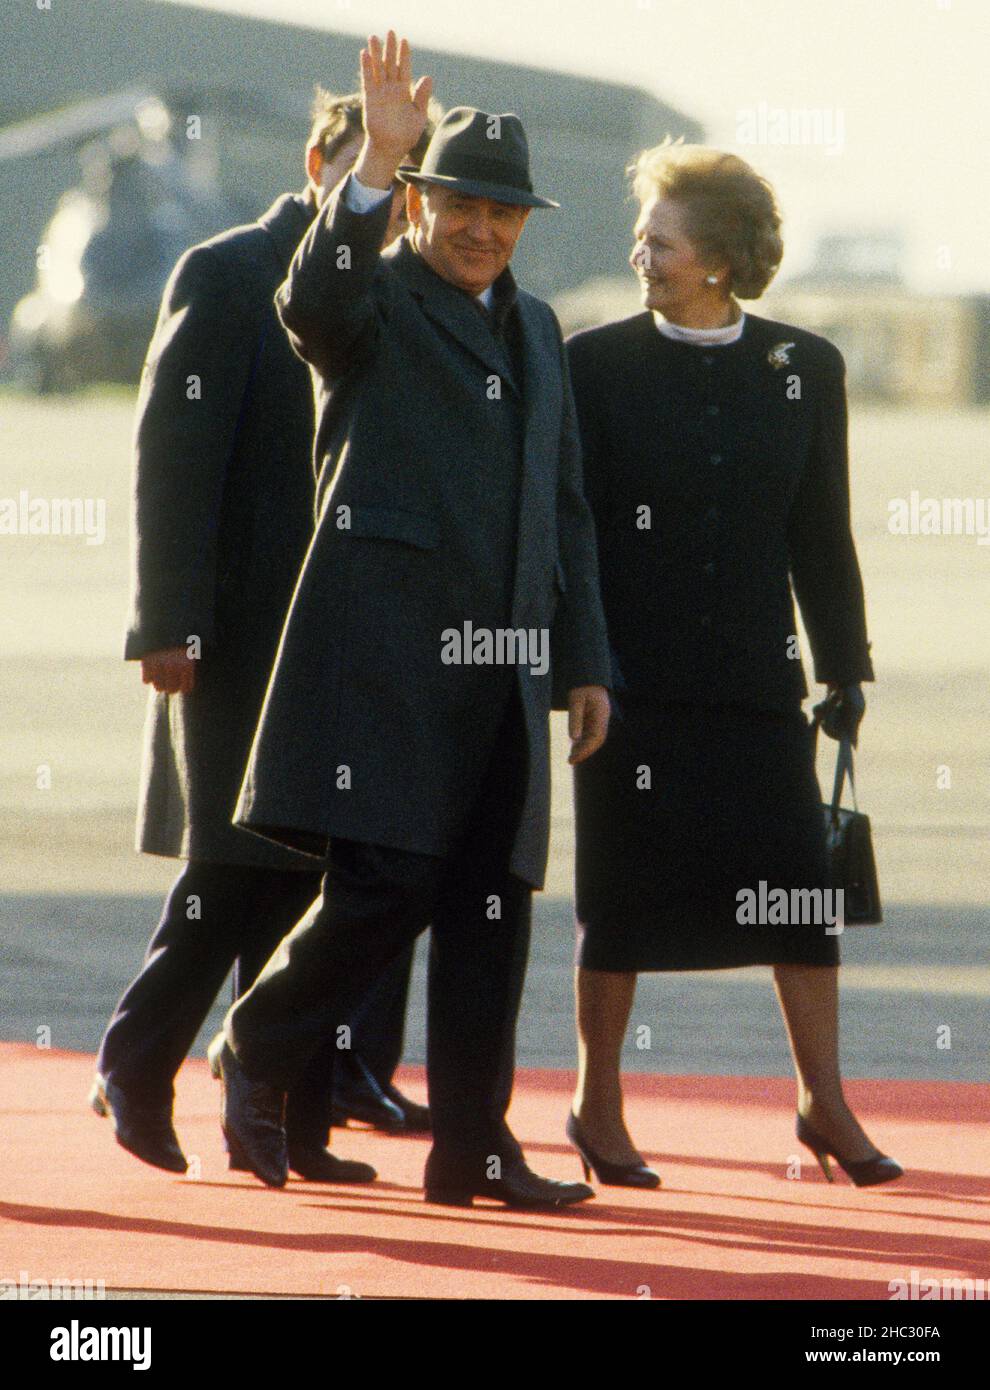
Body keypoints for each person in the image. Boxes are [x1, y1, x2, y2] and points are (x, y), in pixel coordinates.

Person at [208, 31, 612, 1209]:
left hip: (507, 669)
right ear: (424, 202)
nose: (484, 227)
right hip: (383, 652)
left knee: (493, 905)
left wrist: (585, 659)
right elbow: (311, 300)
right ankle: (260, 1042)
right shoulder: (371, 299)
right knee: (384, 885)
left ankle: (474, 1147)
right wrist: (374, 166)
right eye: (461, 202)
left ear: (527, 220)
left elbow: (570, 510)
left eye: (505, 209)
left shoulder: (539, 331)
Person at [91, 89, 437, 1182]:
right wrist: (167, 621)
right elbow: (173, 464)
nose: (382, 190)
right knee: (235, 867)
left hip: (345, 634)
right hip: (240, 631)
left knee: (305, 871)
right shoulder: (232, 269)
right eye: (365, 163)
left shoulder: (401, 290)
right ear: (317, 158)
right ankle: (139, 1065)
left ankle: (280, 1108)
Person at [564, 142, 902, 1190]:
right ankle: (597, 1101)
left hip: (761, 687)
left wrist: (844, 665)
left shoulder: (806, 367)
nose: (640, 253)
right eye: (643, 237)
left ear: (717, 258)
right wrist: (575, 665)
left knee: (798, 893)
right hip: (631, 687)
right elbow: (570, 531)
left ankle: (822, 1101)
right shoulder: (596, 364)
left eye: (659, 240)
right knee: (617, 899)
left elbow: (820, 530)